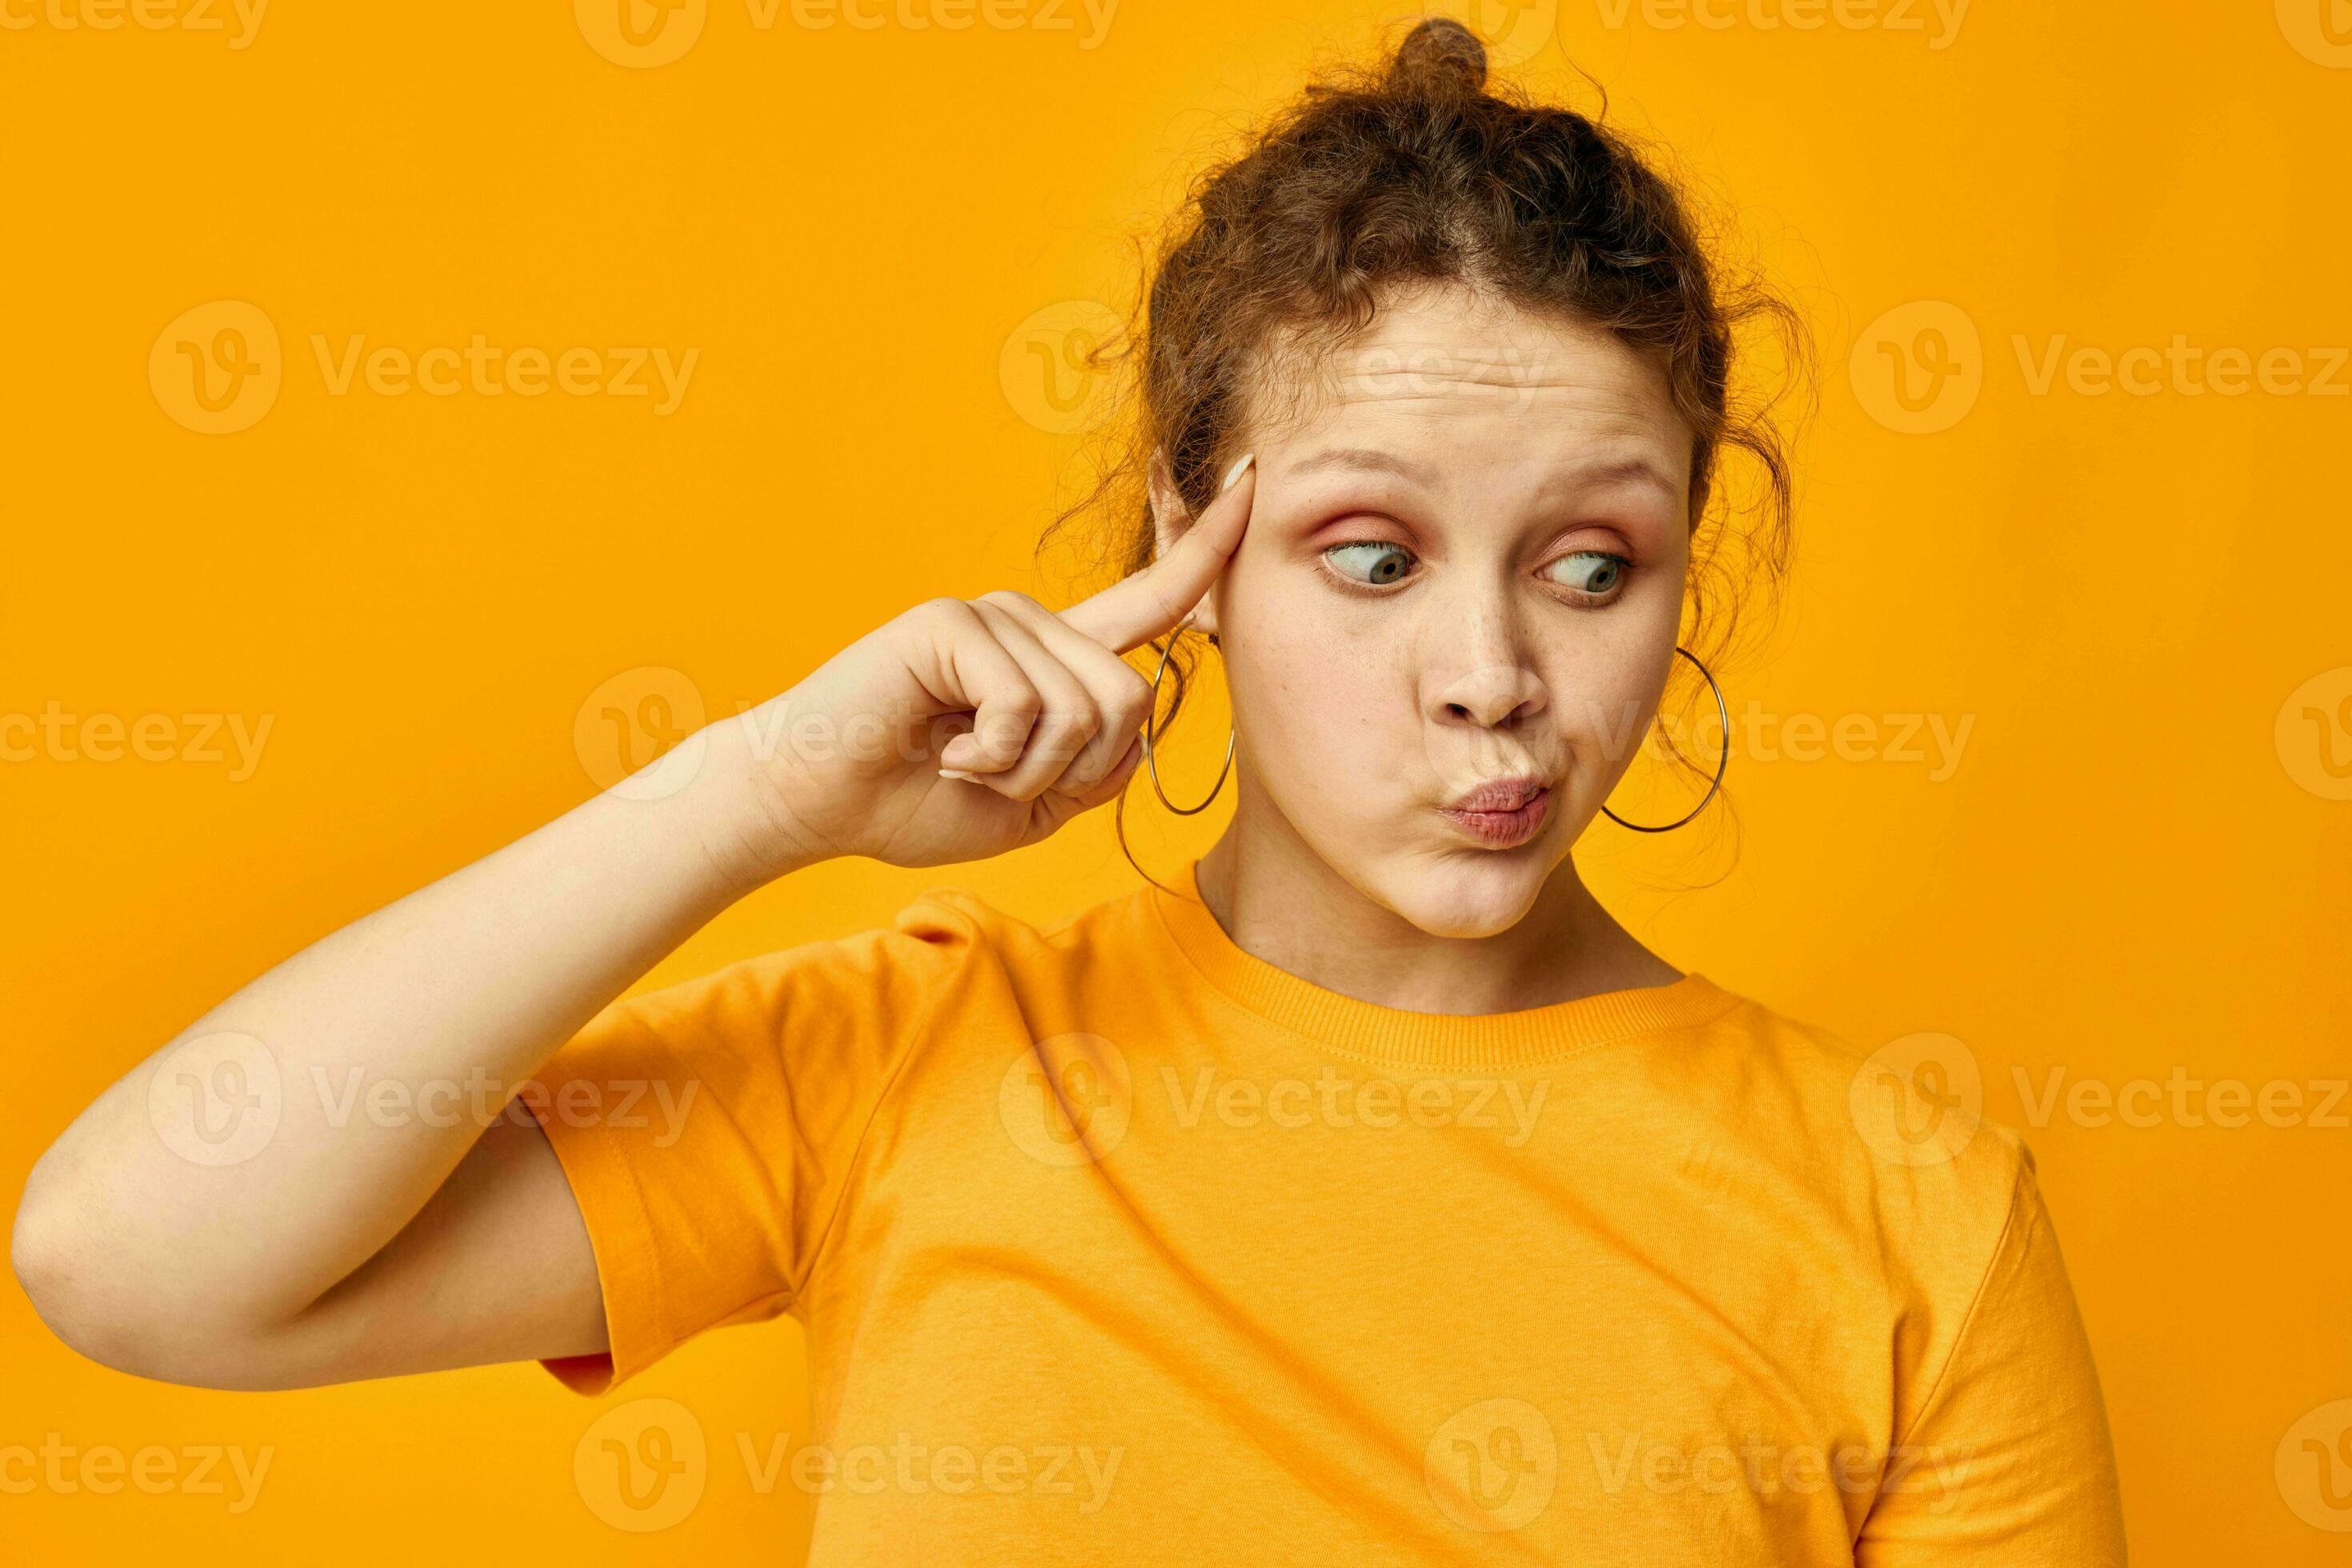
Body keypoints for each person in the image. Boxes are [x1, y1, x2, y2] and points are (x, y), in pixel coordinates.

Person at [12, 18, 2126, 1562]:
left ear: (1688, 559)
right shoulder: (914, 1053)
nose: (1491, 678)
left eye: (1591, 565)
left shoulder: (1904, 1205)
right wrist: (754, 793)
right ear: (1182, 548)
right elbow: (134, 1261)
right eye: (1369, 557)